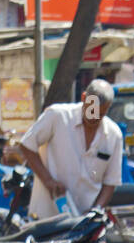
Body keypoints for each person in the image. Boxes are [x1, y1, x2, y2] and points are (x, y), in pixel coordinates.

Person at [18, 78, 123, 220]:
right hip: (47, 218)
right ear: (84, 97)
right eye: (90, 111)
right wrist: (48, 180)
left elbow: (111, 182)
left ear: (108, 108)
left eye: (99, 114)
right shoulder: (57, 116)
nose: (93, 118)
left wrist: (95, 211)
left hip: (85, 223)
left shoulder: (114, 134)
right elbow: (27, 145)